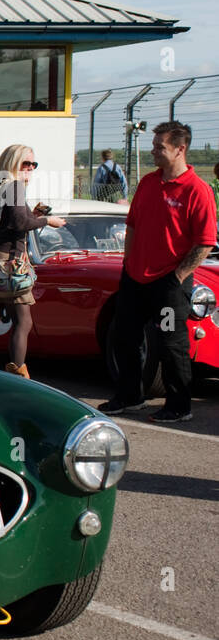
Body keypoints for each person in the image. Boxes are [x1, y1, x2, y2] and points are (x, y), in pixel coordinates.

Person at [99, 121, 217, 423]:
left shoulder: (197, 190)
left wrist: (176, 277)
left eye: (159, 147)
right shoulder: (149, 183)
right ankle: (129, 396)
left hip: (168, 283)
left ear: (180, 149)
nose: (153, 151)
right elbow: (133, 226)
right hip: (135, 278)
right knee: (125, 337)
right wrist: (129, 264)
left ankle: (179, 405)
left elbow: (205, 242)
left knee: (170, 343)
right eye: (153, 146)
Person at [0, 144, 66, 376]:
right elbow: (20, 224)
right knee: (23, 320)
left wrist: (34, 216)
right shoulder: (15, 186)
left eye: (33, 164)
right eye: (25, 163)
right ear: (12, 163)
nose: (29, 168)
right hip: (10, 261)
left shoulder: (1, 186)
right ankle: (18, 371)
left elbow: (11, 221)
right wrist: (48, 221)